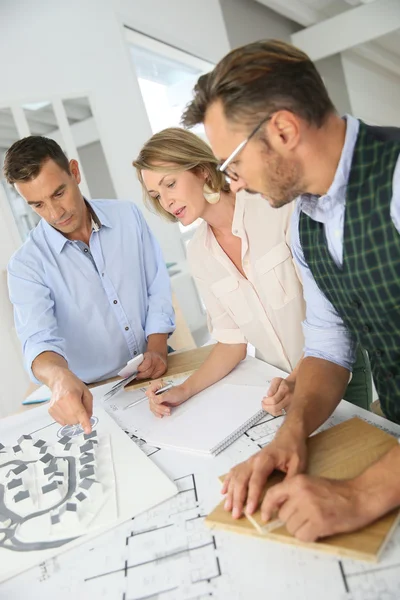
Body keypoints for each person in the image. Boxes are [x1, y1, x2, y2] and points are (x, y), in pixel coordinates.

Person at [181, 39, 400, 542]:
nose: (231, 184)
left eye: (231, 164)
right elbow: (328, 348)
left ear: (282, 129)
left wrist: (362, 494)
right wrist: (291, 434)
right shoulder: (305, 221)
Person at [133, 127, 368, 418]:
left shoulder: (274, 206)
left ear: (203, 171)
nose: (166, 201)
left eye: (170, 184)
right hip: (281, 389)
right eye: (156, 195)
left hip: (337, 368)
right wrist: (183, 390)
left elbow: (333, 304)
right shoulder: (199, 254)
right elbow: (232, 343)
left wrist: (299, 380)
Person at [6, 136, 175, 433]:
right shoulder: (26, 266)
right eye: (38, 205)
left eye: (58, 193)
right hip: (94, 394)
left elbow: (156, 285)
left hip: (160, 363)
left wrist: (158, 348)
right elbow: (37, 340)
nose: (55, 213)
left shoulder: (128, 217)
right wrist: (58, 377)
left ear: (74, 171)